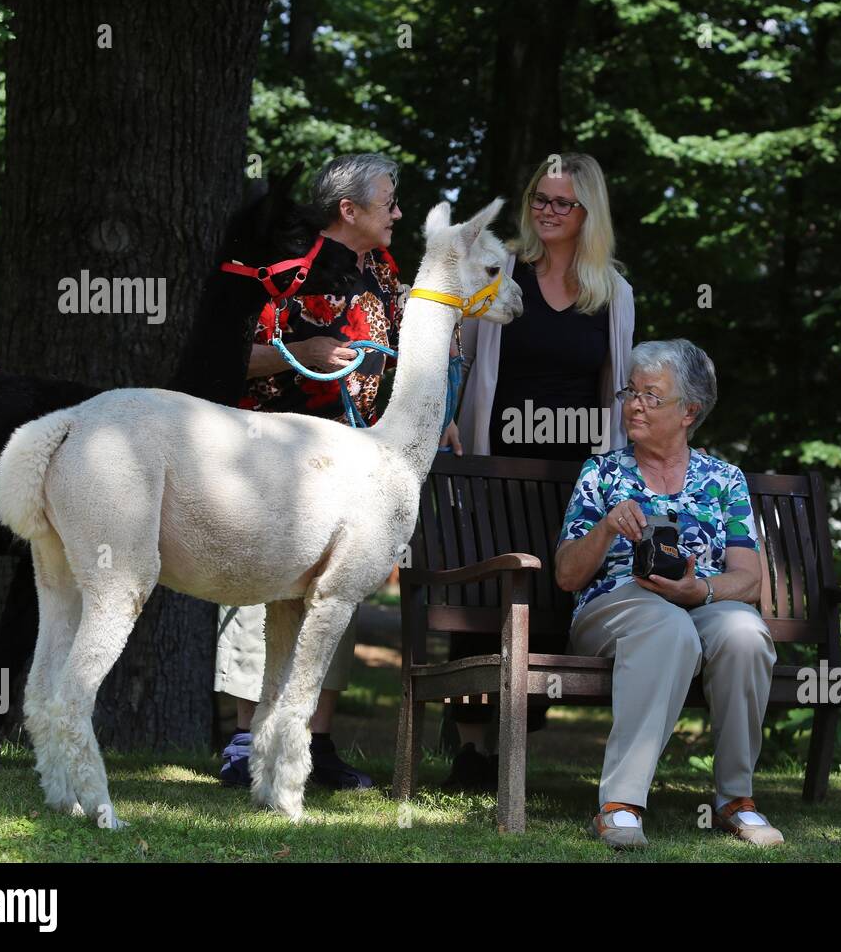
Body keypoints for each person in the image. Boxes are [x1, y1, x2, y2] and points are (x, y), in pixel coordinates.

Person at [436, 153, 635, 791]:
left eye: (562, 204)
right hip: (495, 461)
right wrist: (446, 413)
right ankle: (469, 749)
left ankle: (514, 743)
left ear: (588, 214)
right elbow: (455, 345)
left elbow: (620, 385)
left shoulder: (614, 291)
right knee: (482, 595)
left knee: (551, 598)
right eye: (540, 200)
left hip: (576, 477)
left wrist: (617, 469)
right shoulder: (502, 269)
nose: (547, 213)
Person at [216, 152, 411, 791]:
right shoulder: (280, 268)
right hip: (270, 457)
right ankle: (247, 741)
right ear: (348, 209)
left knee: (338, 590)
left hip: (354, 461)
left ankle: (311, 741)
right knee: (261, 584)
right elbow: (220, 360)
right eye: (389, 201)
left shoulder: (383, 271)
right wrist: (295, 353)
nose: (399, 213)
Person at [554, 339, 781, 849]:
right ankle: (621, 804)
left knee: (746, 631)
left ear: (689, 412)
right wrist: (607, 528)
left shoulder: (724, 480)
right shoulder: (603, 472)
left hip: (696, 603)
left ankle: (735, 800)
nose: (635, 404)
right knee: (667, 626)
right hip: (614, 608)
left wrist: (698, 589)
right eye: (631, 392)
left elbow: (748, 577)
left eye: (652, 396)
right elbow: (567, 575)